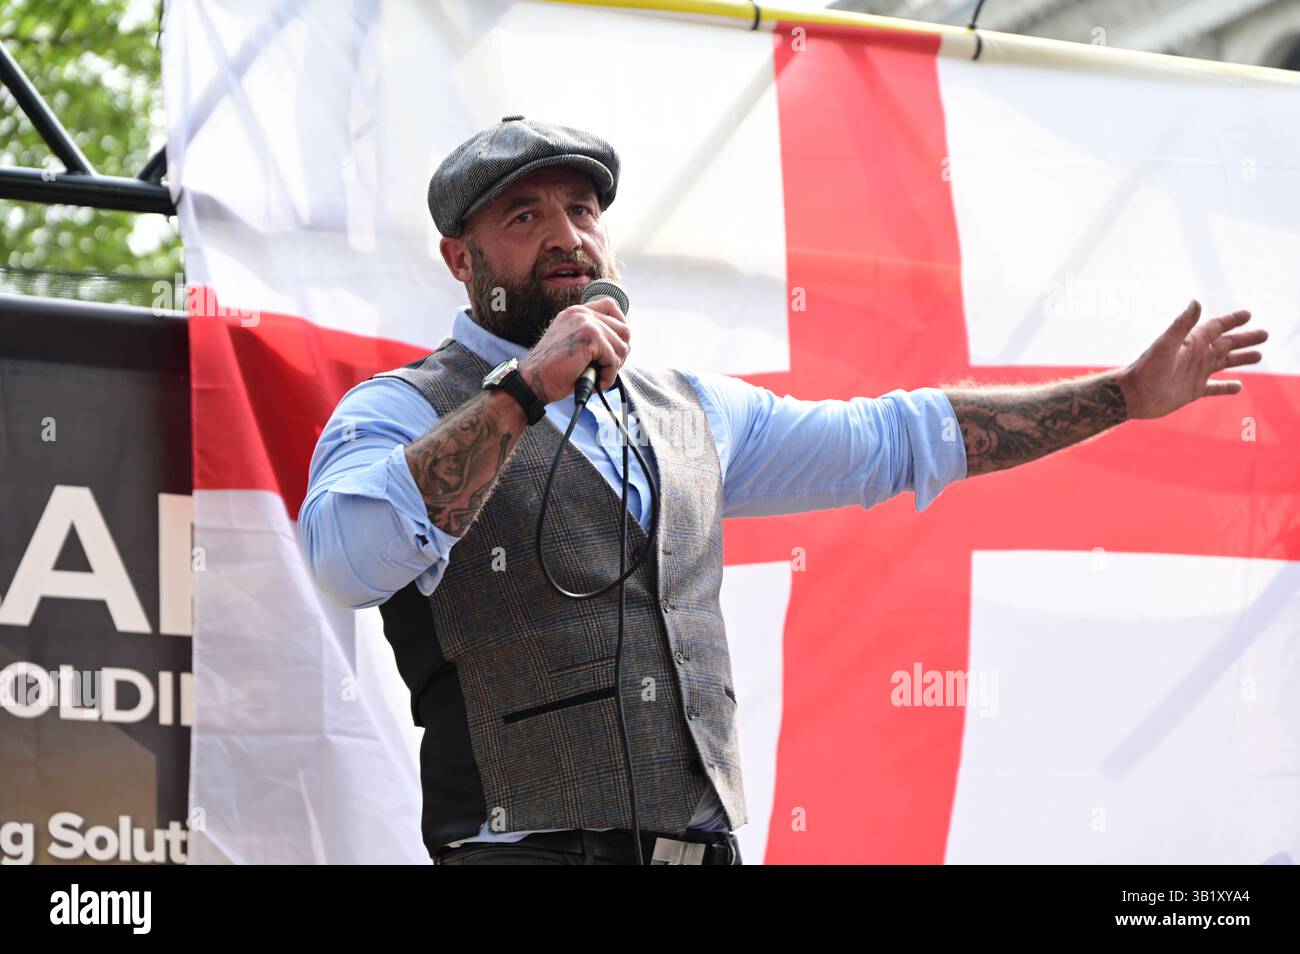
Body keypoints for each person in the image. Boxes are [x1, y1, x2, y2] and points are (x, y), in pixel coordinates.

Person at [299, 116, 1267, 865]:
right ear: (460, 260)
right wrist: (523, 392)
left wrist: (1119, 398)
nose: (567, 238)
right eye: (524, 216)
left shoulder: (687, 410)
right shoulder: (399, 409)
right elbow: (344, 562)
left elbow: (896, 438)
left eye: (582, 211)